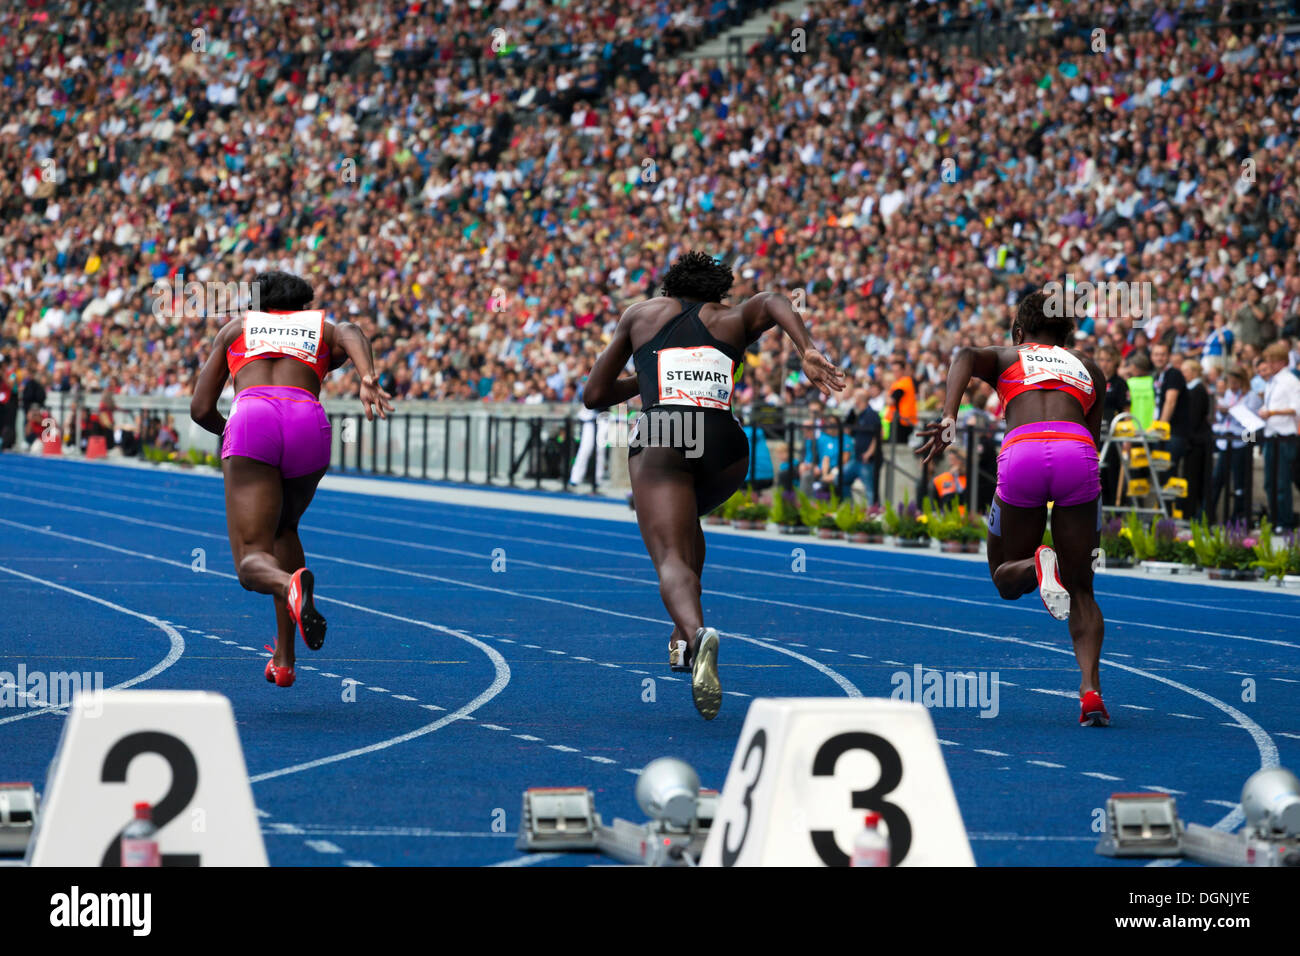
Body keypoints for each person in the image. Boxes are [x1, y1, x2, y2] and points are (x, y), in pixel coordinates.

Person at [581, 251, 845, 719]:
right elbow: (773, 300)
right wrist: (806, 349)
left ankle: (696, 633)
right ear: (719, 289)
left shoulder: (639, 315)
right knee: (686, 527)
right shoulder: (732, 318)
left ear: (669, 287)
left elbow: (594, 394)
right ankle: (682, 638)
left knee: (670, 556)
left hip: (664, 434)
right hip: (725, 445)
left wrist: (646, 379)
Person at [190, 271, 393, 687]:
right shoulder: (321, 328)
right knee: (285, 527)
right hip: (308, 422)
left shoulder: (236, 328)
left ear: (256, 305)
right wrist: (365, 375)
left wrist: (235, 432)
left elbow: (200, 409)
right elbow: (352, 331)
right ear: (303, 307)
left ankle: (286, 584)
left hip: (253, 418)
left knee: (251, 563)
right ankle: (284, 659)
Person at [917, 291, 1109, 727]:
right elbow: (1092, 436)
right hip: (1076, 453)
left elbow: (965, 353)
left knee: (1005, 578)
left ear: (1020, 331)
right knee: (1082, 587)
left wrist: (950, 415)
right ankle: (1090, 691)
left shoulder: (1010, 354)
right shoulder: (1089, 367)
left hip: (1022, 453)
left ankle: (1041, 564)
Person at [1259, 342, 1300, 530]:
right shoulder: (1272, 382)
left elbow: (1296, 408)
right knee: (1269, 482)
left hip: (1284, 436)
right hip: (1271, 435)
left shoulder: (1291, 381)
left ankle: (1285, 521)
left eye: (1271, 361)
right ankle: (1275, 518)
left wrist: (1273, 413)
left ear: (1281, 362)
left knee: (1282, 481)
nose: (1268, 364)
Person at [1210, 366, 1257, 522]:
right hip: (1226, 440)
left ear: (1243, 382)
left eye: (1235, 383)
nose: (1232, 386)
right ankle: (1208, 513)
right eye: (1230, 382)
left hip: (1242, 441)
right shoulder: (1229, 394)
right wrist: (1222, 411)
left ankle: (1238, 516)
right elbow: (1221, 418)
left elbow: (1252, 424)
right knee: (1217, 478)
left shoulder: (1252, 396)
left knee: (1240, 482)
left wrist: (1235, 410)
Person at [1180, 359, 1213, 519]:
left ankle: (1193, 513)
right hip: (1193, 440)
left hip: (1197, 441)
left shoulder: (1198, 390)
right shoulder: (1192, 389)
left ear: (1193, 372)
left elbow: (1194, 417)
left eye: (1185, 371)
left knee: (1194, 478)